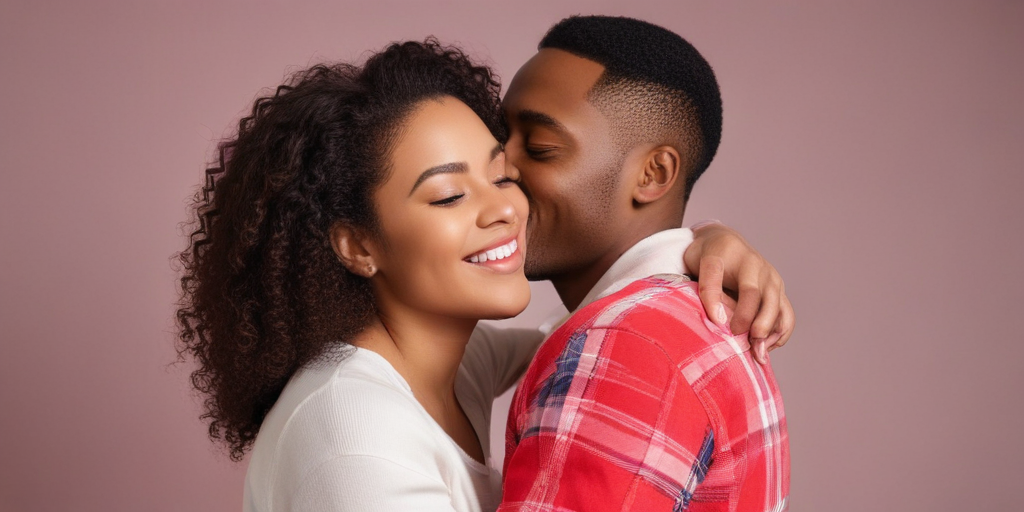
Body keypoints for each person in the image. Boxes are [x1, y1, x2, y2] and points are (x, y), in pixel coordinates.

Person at [176, 40, 788, 512]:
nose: (506, 206)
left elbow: (593, 337)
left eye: (500, 176)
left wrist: (694, 243)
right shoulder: (353, 432)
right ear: (359, 245)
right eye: (447, 196)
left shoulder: (452, 365)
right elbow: (608, 347)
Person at [498, 16, 789, 511]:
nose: (500, 167)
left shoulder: (626, 344)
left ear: (653, 174)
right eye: (499, 138)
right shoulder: (663, 323)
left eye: (540, 148)